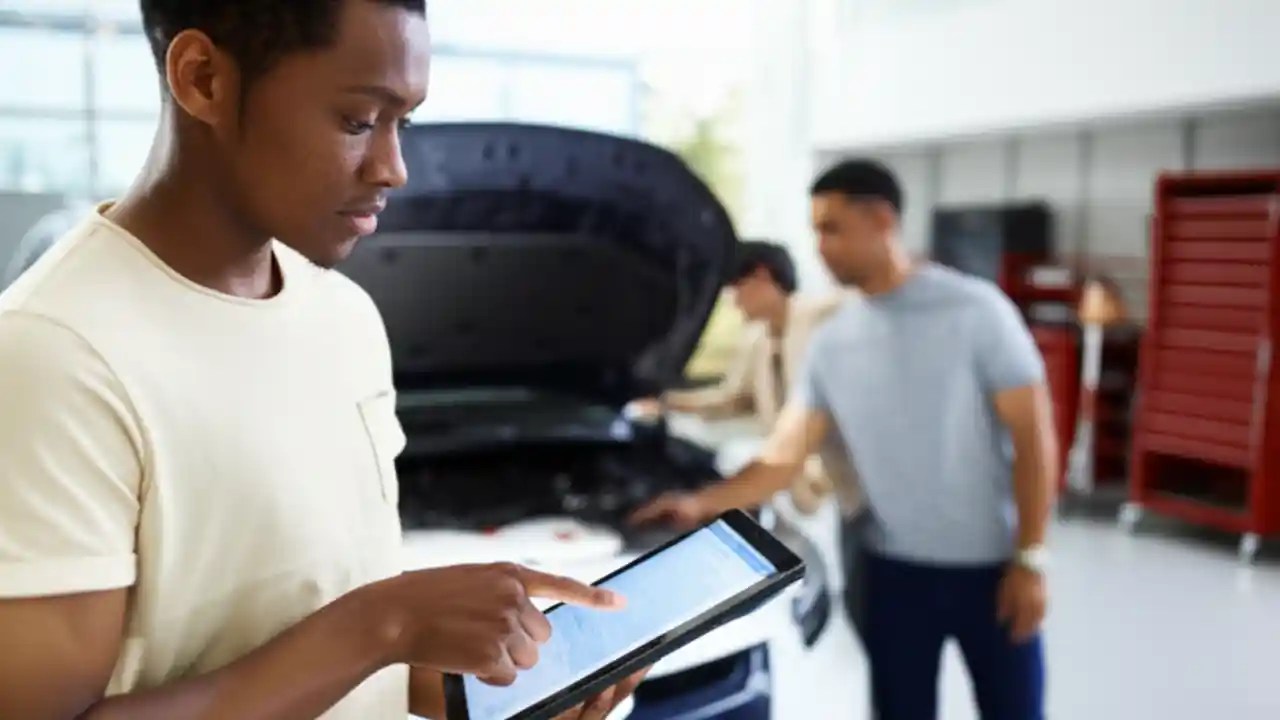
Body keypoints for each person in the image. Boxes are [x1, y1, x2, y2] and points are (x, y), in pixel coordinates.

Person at [0, 2, 644, 719]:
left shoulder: (346, 317)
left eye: (405, 123)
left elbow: (330, 655)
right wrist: (384, 624)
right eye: (358, 120)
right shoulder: (51, 354)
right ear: (203, 78)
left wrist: (490, 690)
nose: (394, 168)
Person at [632, 159, 1057, 720]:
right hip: (893, 574)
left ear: (881, 220)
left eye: (831, 229)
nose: (819, 247)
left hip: (992, 572)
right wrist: (699, 503)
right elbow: (783, 457)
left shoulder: (978, 312)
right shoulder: (834, 344)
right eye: (815, 231)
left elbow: (1034, 439)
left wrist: (1030, 558)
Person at [660, 241, 844, 514]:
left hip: (835, 478)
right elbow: (732, 398)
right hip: (790, 476)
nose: (733, 302)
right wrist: (666, 401)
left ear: (762, 275)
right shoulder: (758, 338)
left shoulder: (823, 317)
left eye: (735, 289)